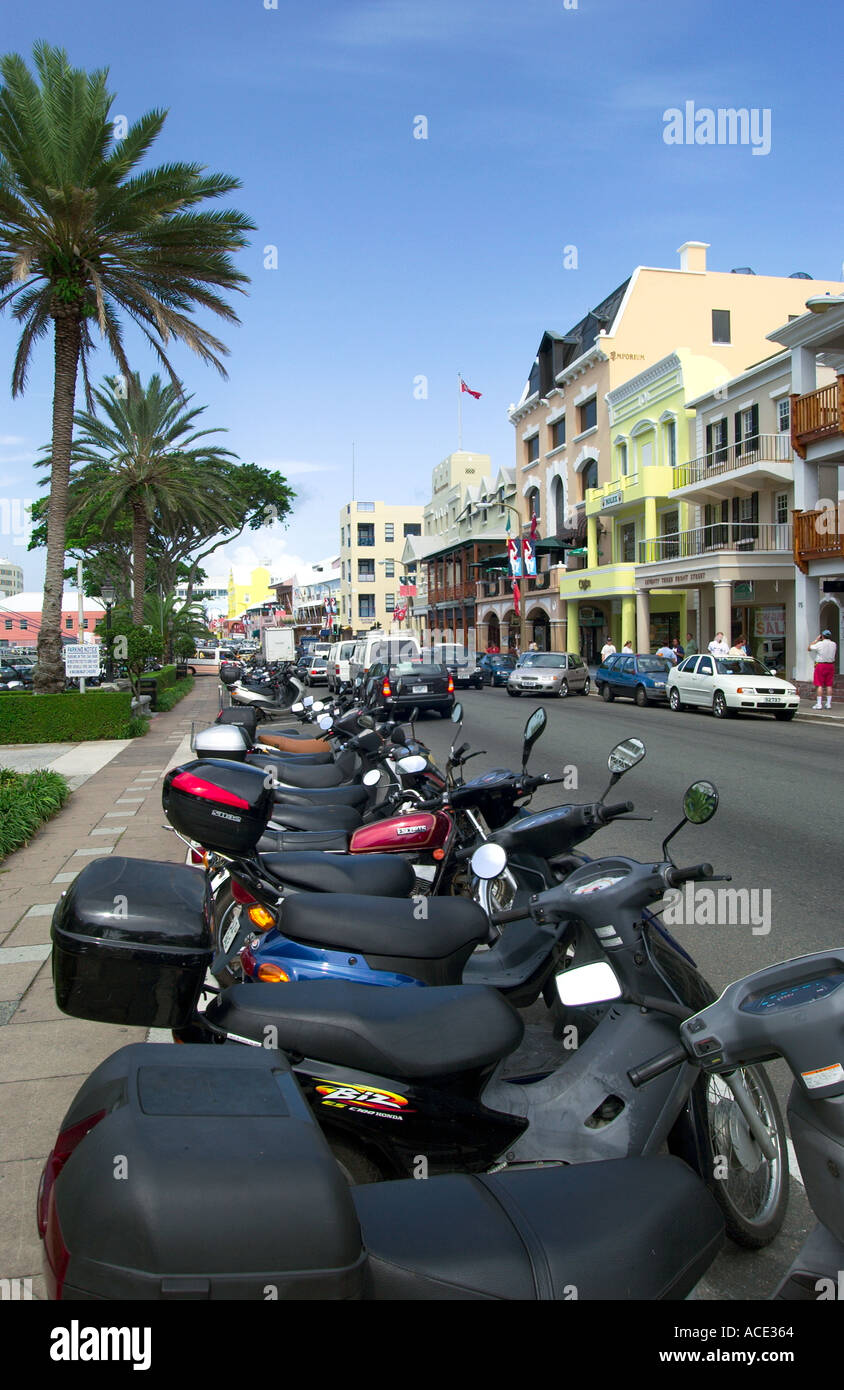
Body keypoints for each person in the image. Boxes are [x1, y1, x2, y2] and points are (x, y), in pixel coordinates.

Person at [808, 629, 837, 710]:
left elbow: (809, 648)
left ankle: (819, 704)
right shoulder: (834, 644)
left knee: (819, 685)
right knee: (829, 685)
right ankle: (828, 704)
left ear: (822, 636)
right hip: (830, 665)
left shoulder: (819, 644)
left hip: (821, 665)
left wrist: (816, 640)